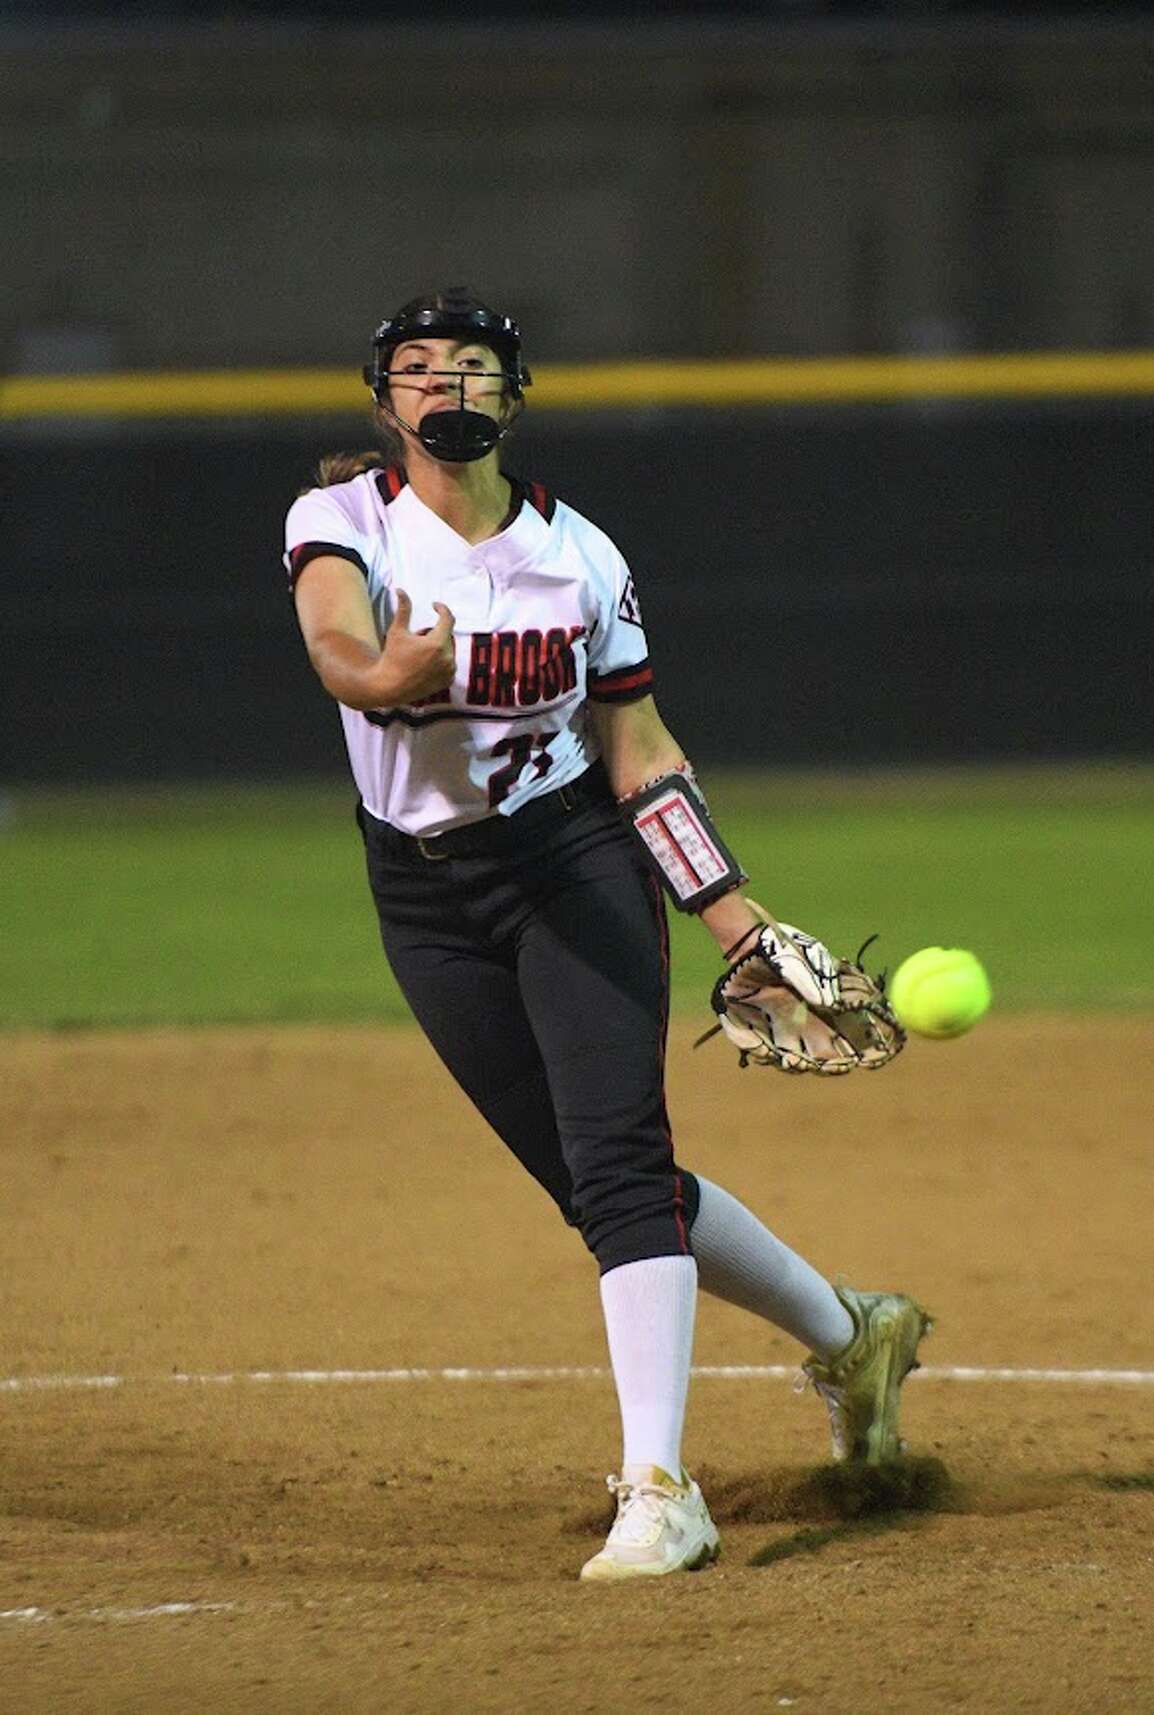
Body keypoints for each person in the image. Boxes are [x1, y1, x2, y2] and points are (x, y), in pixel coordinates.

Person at [282, 287, 931, 1582]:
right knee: (595, 1187)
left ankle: (661, 1489)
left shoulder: (579, 554)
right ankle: (851, 1329)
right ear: (384, 401)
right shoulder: (340, 520)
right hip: (423, 898)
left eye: (473, 367)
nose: (446, 388)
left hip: (570, 868)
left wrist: (732, 918)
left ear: (513, 399)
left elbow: (637, 752)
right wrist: (384, 676)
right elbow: (340, 650)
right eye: (418, 369)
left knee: (624, 1168)